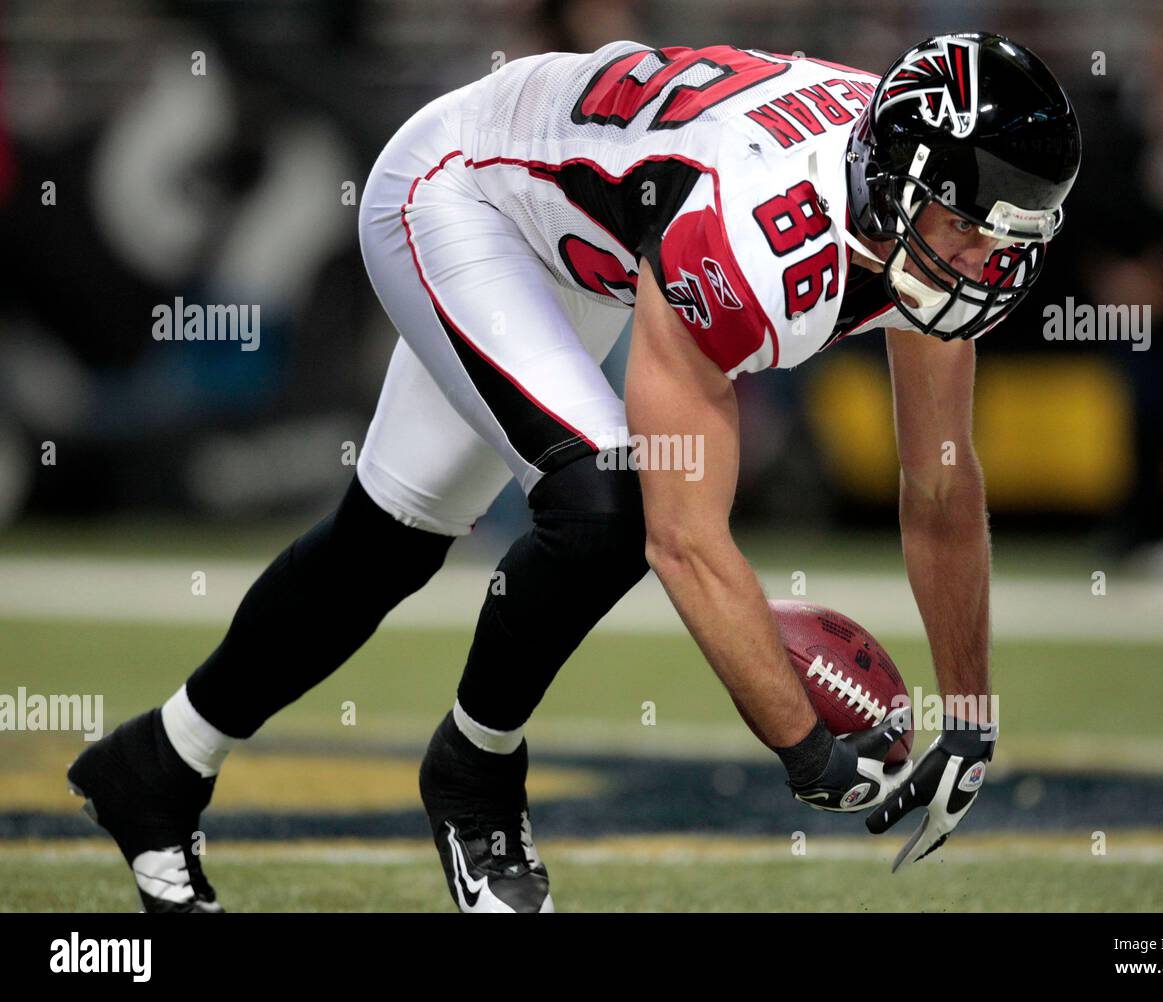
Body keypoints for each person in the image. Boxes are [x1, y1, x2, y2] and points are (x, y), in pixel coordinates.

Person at [69, 32, 1081, 913]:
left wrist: (972, 717)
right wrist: (804, 749)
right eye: (972, 230)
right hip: (467, 189)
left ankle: (156, 765)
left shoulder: (904, 203)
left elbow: (941, 488)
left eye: (1009, 243)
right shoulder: (756, 229)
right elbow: (680, 538)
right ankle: (474, 777)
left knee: (383, 545)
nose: (986, 263)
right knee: (605, 504)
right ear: (907, 184)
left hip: (589, 234)